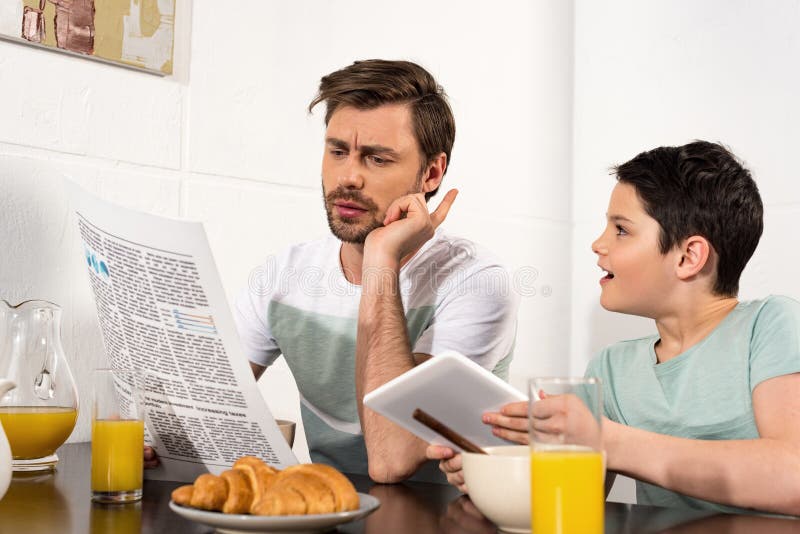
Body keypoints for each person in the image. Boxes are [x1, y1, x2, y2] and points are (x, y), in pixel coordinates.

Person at [143, 60, 518, 483]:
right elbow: (201, 411)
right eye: (338, 151)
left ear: (431, 173)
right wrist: (157, 435)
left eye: (377, 158)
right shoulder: (284, 276)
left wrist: (381, 261)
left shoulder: (477, 282)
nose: (349, 176)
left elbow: (391, 458)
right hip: (327, 513)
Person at [430, 140, 800, 515]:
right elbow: (578, 502)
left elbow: (793, 476)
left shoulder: (770, 325)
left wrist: (606, 440)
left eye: (621, 230)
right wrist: (490, 468)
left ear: (689, 257)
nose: (598, 244)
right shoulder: (610, 368)